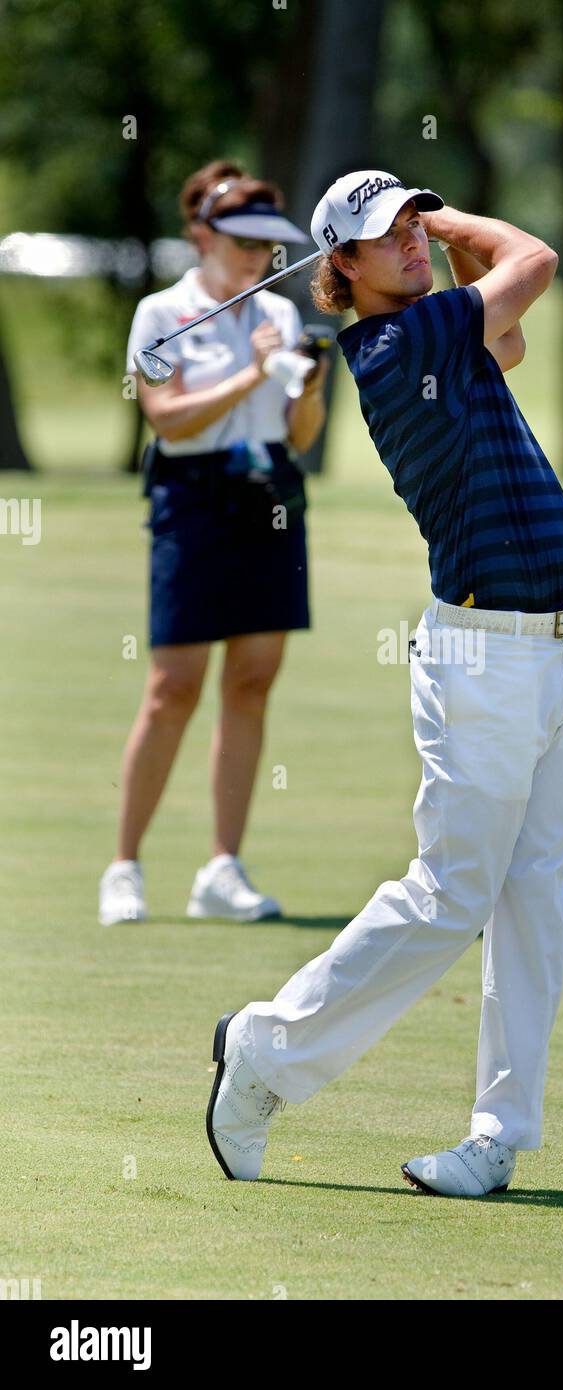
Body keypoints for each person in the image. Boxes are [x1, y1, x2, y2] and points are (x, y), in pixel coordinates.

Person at [205, 170, 563, 1197]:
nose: (413, 243)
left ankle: (495, 1139)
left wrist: (422, 232)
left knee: (533, 893)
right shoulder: (394, 347)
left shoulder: (445, 328)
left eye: (415, 225)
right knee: (449, 891)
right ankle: (263, 1050)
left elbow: (508, 324)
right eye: (389, 235)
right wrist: (452, 223)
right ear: (340, 264)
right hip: (485, 656)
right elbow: (528, 263)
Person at [99, 160, 329, 926]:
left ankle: (221, 869)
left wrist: (309, 389)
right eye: (243, 244)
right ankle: (125, 866)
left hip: (267, 493)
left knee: (252, 681)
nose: (257, 260)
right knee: (173, 688)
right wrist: (252, 375)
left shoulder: (281, 317)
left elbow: (299, 436)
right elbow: (167, 418)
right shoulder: (162, 314)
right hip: (190, 499)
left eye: (268, 248)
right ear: (203, 234)